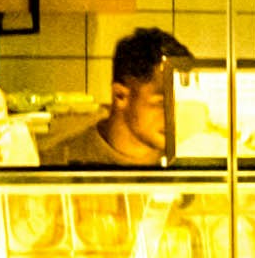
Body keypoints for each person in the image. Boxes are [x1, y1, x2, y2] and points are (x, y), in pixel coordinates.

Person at [42, 27, 195, 166]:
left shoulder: (190, 161)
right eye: (161, 103)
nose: (174, 116)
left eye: (179, 103)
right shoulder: (61, 162)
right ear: (120, 96)